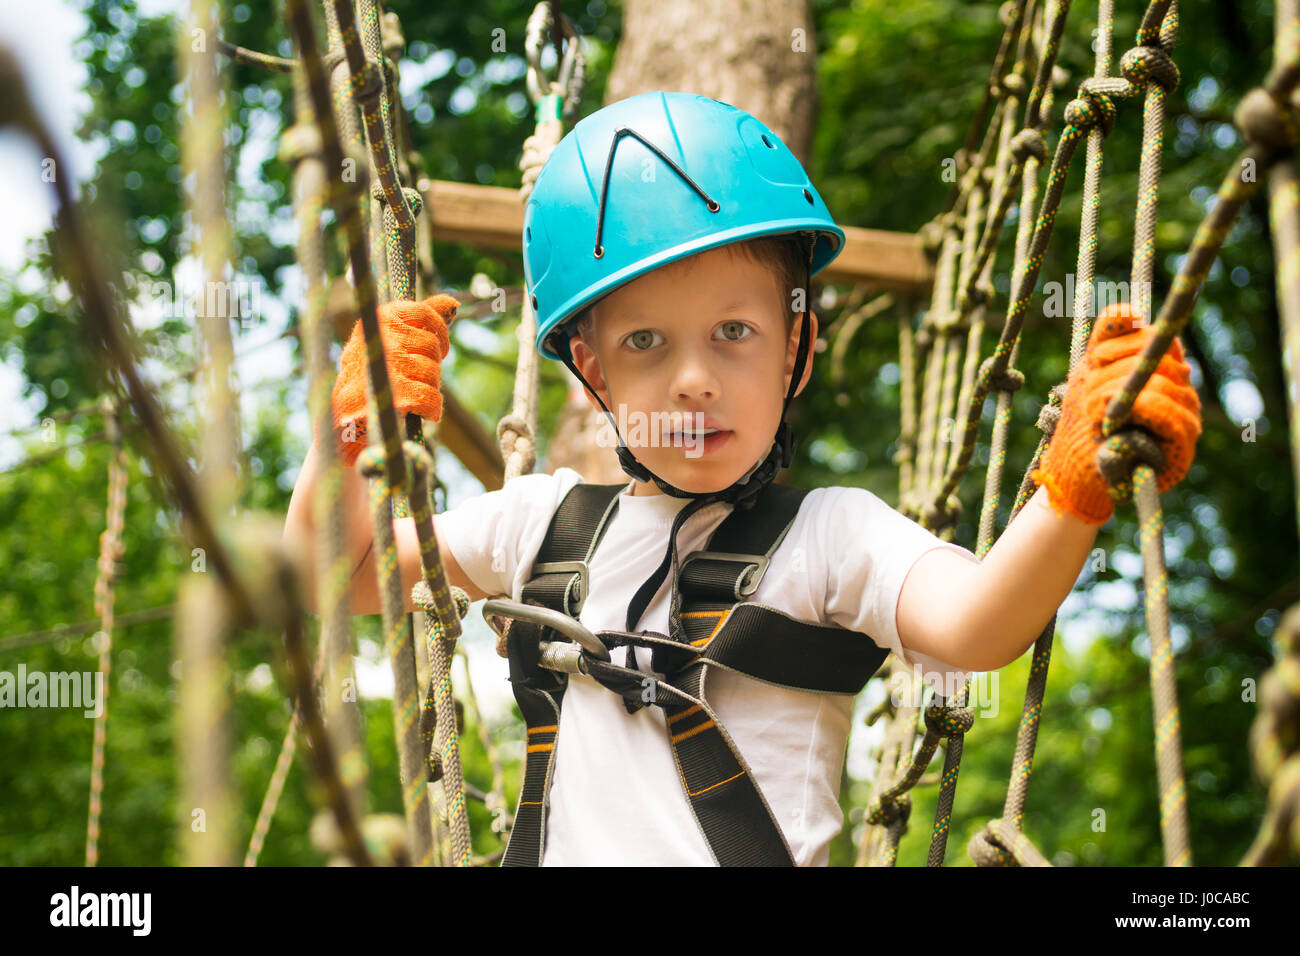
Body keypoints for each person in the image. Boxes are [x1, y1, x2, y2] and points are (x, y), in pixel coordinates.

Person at [283, 91, 1202, 866]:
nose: (694, 377)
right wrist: (348, 438)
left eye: (735, 332)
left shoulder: (834, 535)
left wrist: (1074, 489)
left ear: (798, 348)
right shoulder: (538, 526)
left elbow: (978, 624)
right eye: (645, 342)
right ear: (595, 373)